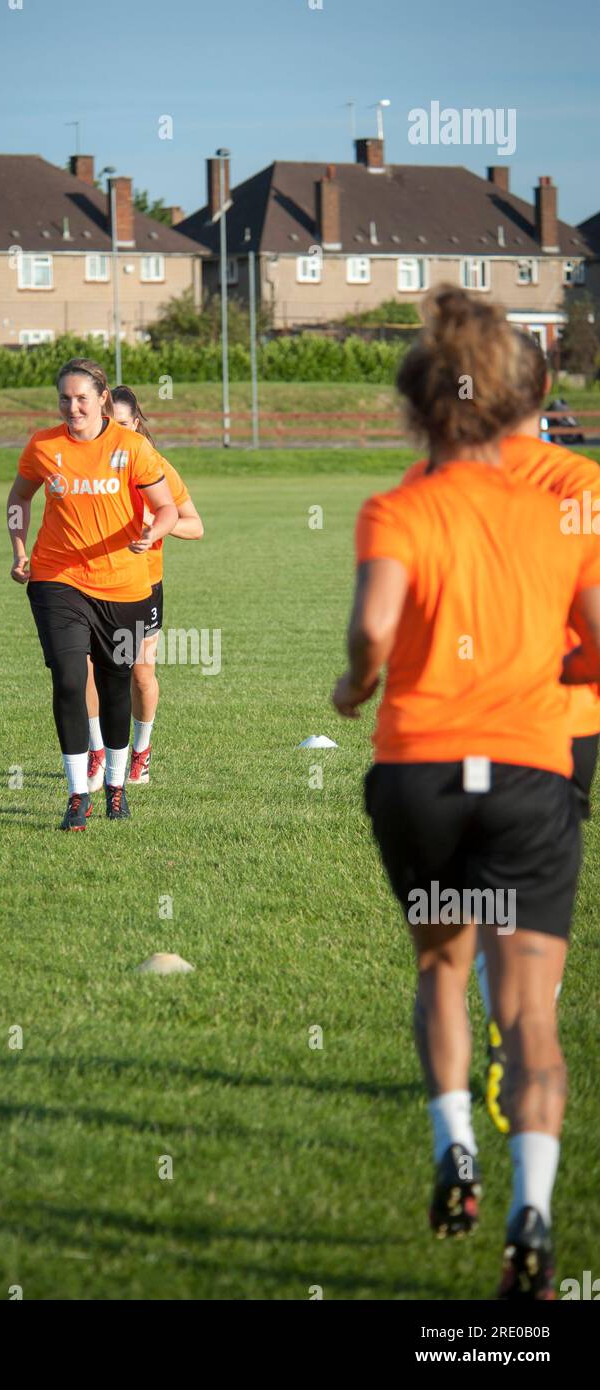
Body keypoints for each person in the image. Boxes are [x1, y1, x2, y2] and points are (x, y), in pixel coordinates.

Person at [331, 286, 600, 1299]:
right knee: (530, 1012)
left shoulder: (396, 505)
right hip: (532, 771)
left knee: (442, 974)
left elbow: (369, 632)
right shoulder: (558, 508)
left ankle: (454, 1147)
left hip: (419, 776)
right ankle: (531, 1212)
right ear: (513, 401)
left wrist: (355, 686)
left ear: (419, 407)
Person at [402, 332, 600, 1136]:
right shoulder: (578, 481)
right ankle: (518, 1041)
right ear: (544, 385)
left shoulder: (432, 476)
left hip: (469, 719)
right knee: (536, 901)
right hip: (568, 721)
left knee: (476, 894)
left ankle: (496, 1035)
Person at [7, 359, 177, 829]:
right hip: (56, 578)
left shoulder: (132, 447)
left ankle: (117, 786)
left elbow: (166, 509)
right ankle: (78, 792)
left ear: (103, 398)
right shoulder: (43, 445)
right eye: (64, 398)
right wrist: (19, 547)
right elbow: (20, 498)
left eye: (82, 398)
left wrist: (150, 534)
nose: (72, 407)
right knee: (67, 677)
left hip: (125, 585)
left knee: (116, 683)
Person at [85, 385, 204, 790]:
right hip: (91, 580)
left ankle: (142, 752)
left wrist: (158, 528)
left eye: (122, 424)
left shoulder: (156, 466)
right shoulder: (91, 464)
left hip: (141, 584)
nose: (114, 432)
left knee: (139, 673)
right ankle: (96, 753)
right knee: (85, 668)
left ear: (135, 423)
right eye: (107, 424)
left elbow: (195, 524)